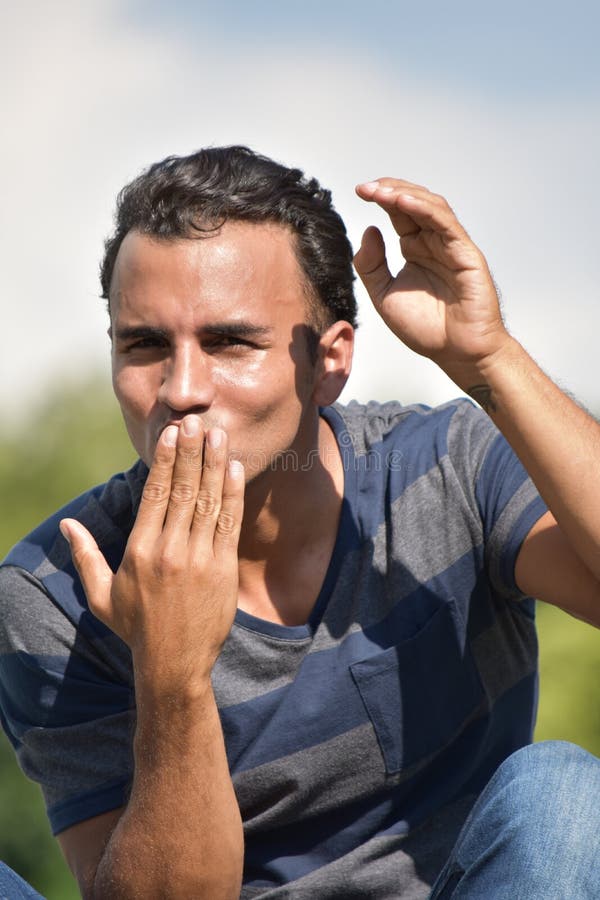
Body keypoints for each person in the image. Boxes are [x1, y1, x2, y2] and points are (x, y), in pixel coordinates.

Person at [1, 145, 599, 900]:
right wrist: (173, 675)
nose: (181, 390)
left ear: (330, 362)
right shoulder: (57, 587)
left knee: (563, 793)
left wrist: (491, 359)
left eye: (229, 342)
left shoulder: (450, 466)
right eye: (145, 344)